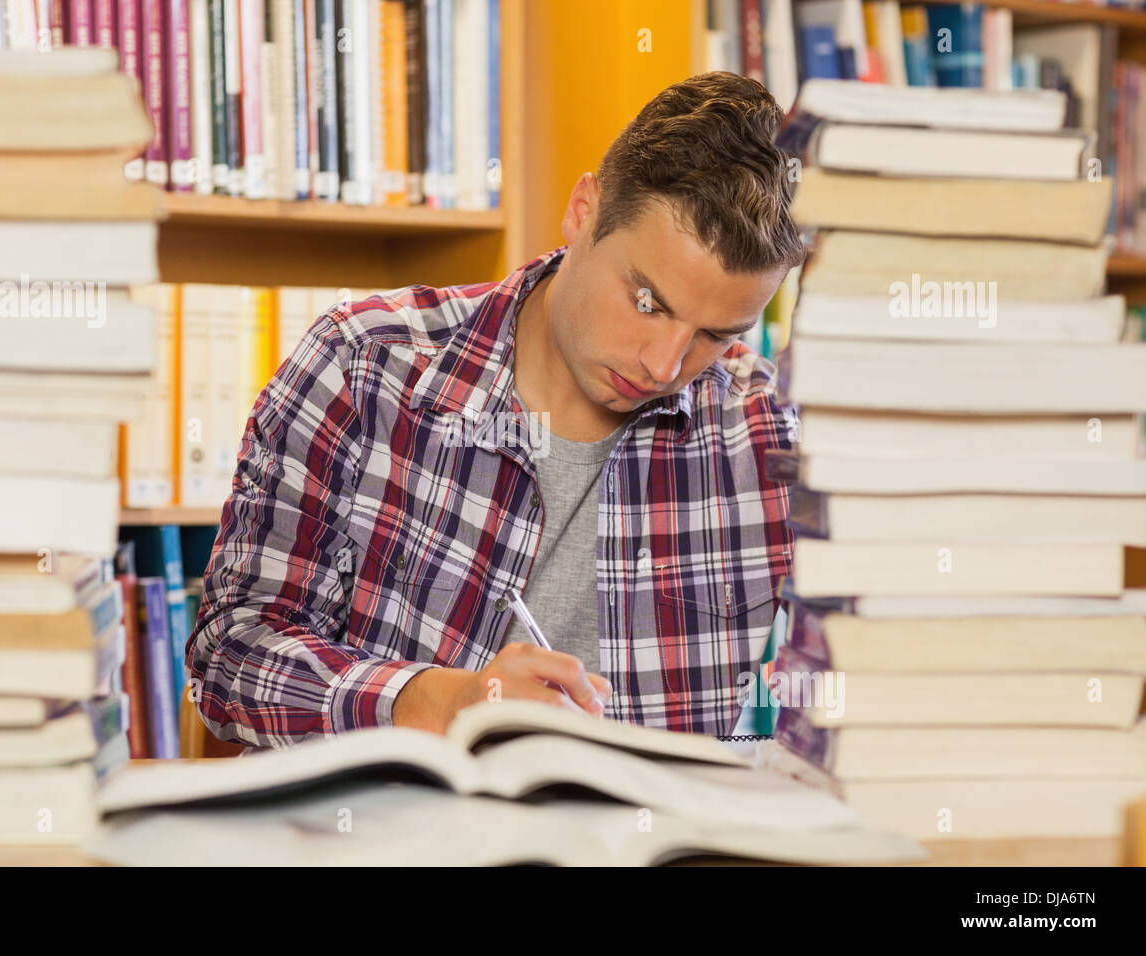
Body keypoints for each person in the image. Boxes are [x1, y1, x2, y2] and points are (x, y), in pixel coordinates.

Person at [187, 71, 804, 747]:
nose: (664, 366)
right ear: (584, 211)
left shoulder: (773, 435)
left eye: (717, 335)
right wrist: (429, 701)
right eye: (648, 301)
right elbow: (227, 656)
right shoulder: (363, 365)